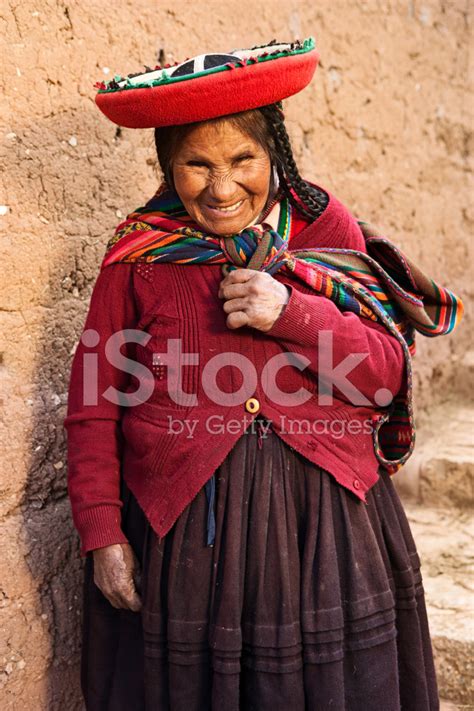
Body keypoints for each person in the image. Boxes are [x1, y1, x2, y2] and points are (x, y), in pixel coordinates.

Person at [64, 38, 463, 710]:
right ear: (168, 163)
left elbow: (385, 374)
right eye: (196, 163)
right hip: (189, 536)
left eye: (242, 159)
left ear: (272, 152)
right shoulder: (138, 254)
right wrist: (102, 530)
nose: (221, 187)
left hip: (326, 527)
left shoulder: (321, 225)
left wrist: (294, 312)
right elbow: (94, 399)